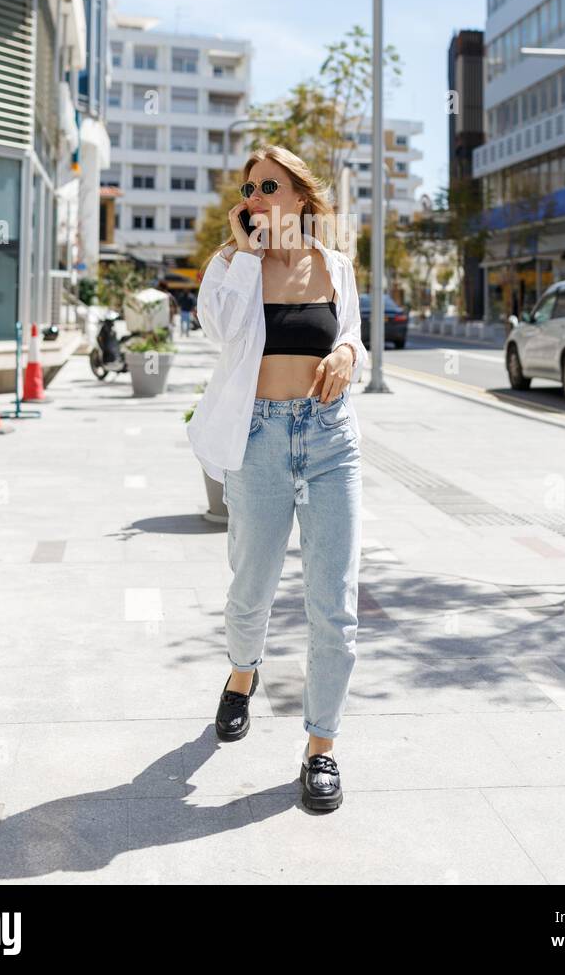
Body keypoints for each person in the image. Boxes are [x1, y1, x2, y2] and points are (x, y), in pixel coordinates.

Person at [187, 145, 367, 813]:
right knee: (250, 588)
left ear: (299, 196)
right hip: (259, 438)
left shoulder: (337, 266)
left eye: (269, 186)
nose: (255, 197)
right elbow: (221, 330)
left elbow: (353, 338)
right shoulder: (231, 266)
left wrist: (348, 351)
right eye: (248, 187)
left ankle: (321, 748)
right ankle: (242, 675)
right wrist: (240, 254)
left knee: (335, 603)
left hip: (329, 442)